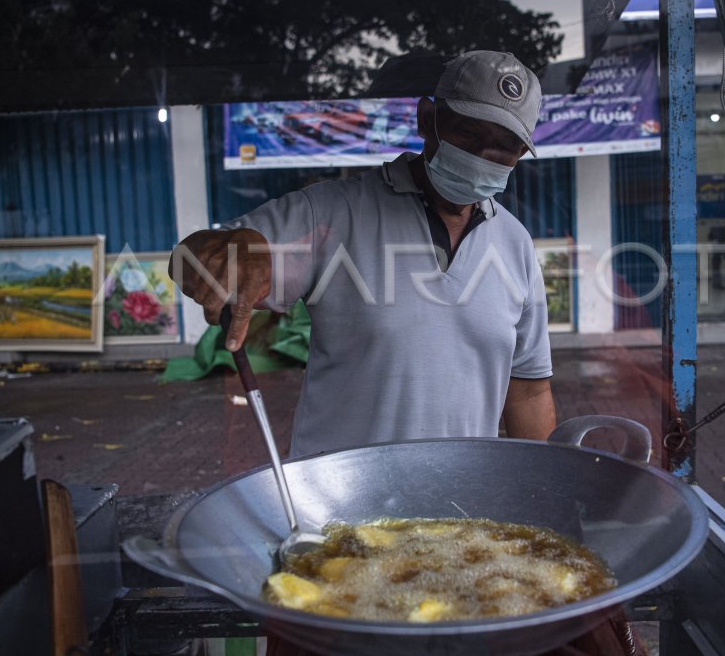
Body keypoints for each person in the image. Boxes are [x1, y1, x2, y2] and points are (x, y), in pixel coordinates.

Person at [170, 50, 556, 458]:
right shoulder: (333, 213)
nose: (483, 156)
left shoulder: (515, 244)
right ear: (428, 119)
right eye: (469, 133)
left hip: (462, 509)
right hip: (340, 505)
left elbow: (528, 392)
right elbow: (189, 259)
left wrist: (545, 491)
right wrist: (226, 250)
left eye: (504, 147)